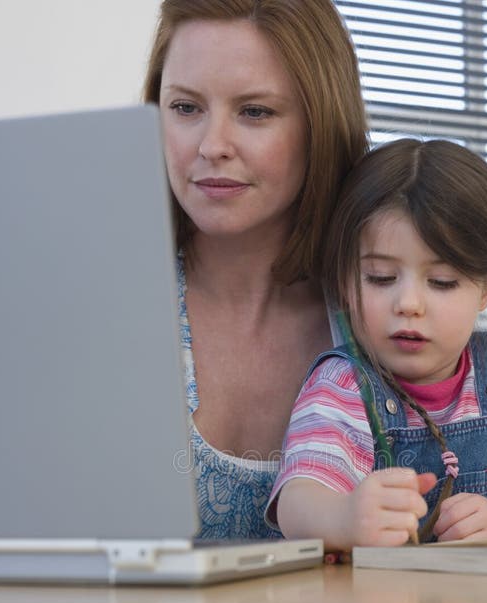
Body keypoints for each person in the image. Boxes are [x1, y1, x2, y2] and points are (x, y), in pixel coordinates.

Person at [267, 138, 487, 549]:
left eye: (442, 282)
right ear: (342, 279)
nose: (408, 304)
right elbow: (298, 501)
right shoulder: (343, 383)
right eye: (380, 278)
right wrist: (345, 517)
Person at [142, 0, 369, 538]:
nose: (212, 146)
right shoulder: (105, 306)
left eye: (255, 112)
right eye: (184, 108)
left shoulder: (389, 310)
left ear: (322, 122)